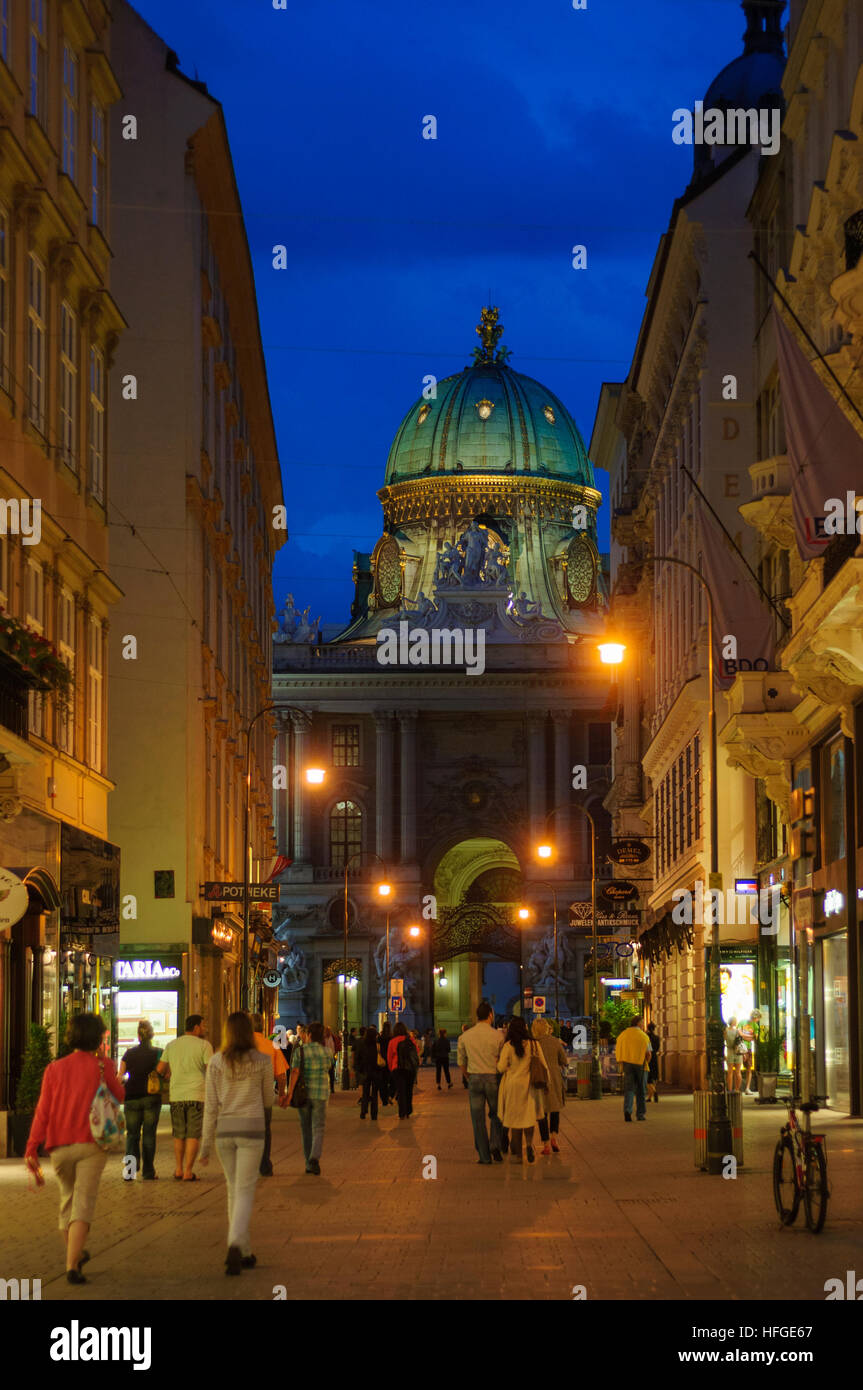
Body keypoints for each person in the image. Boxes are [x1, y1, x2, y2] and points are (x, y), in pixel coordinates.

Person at [24, 1013, 124, 1284]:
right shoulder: (103, 1065)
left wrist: (32, 1146)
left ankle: (75, 1254)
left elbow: (42, 1110)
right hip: (91, 1143)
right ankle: (72, 1265)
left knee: (67, 1200)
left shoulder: (54, 1069)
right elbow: (119, 1095)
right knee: (83, 1203)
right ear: (98, 1037)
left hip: (59, 1146)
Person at [199, 1011, 272, 1275]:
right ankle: (234, 1244)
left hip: (224, 1132)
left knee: (233, 1189)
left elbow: (211, 1107)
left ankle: (244, 1250)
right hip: (252, 1129)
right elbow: (268, 1100)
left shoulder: (216, 1062)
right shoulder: (263, 1061)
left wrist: (205, 1146)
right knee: (244, 1190)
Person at [156, 1014, 213, 1181]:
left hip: (177, 1095)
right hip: (196, 1094)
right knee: (193, 1134)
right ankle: (188, 1171)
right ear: (196, 1027)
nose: (204, 1029)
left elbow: (160, 1068)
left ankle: (179, 1169)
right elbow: (210, 1069)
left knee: (178, 1134)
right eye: (203, 1025)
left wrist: (169, 1073)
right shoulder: (204, 1045)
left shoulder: (172, 1044)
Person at [458, 1002, 505, 1164]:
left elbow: (461, 1062)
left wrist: (468, 1076)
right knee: (497, 1114)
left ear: (477, 1016)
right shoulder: (498, 1036)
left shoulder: (465, 1036)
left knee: (477, 1119)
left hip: (475, 1078)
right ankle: (495, 1144)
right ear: (490, 1015)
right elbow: (502, 1060)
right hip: (492, 1078)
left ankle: (484, 1156)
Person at [497, 1017, 548, 1163]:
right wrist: (546, 1084)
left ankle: (519, 1155)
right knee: (529, 1118)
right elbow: (543, 1065)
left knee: (515, 1120)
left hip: (512, 1086)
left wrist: (505, 1066)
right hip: (530, 1086)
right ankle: (530, 1145)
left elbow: (500, 1068)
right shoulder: (534, 1044)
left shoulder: (508, 1046)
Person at [120, 1019, 163, 1181]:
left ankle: (130, 1171)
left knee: (132, 1135)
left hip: (131, 1097)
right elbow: (165, 1073)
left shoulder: (129, 1054)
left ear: (138, 1035)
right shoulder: (159, 1052)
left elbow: (120, 1075)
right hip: (151, 1097)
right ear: (151, 1035)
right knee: (149, 1135)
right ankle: (148, 1171)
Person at [288, 1020, 331, 1173]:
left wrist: (289, 1093)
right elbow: (328, 1067)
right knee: (318, 1127)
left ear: (310, 1035)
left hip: (304, 1094)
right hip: (321, 1094)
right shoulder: (327, 1052)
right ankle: (315, 1157)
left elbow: (294, 1072)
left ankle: (309, 1162)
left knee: (306, 1128)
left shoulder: (301, 1051)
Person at [252, 1012, 288, 1177]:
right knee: (265, 1130)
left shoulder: (240, 1046)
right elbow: (281, 1075)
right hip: (265, 1096)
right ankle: (264, 1165)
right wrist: (282, 1094)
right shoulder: (271, 1046)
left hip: (243, 1096)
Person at [532, 1018, 567, 1154]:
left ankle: (546, 1144)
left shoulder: (533, 1043)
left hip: (539, 1078)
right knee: (555, 1108)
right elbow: (563, 1060)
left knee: (542, 1112)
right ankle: (554, 1137)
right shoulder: (555, 1041)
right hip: (555, 1077)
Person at [615, 1015, 652, 1121]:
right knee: (641, 1090)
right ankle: (640, 1114)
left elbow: (618, 1048)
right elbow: (648, 1053)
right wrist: (646, 1062)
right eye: (642, 1022)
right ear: (638, 1023)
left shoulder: (623, 1035)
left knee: (629, 1089)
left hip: (627, 1064)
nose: (643, 1024)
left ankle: (627, 1110)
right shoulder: (643, 1036)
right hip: (640, 1064)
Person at [387, 1021, 420, 1118]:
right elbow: (416, 1051)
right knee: (408, 1090)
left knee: (401, 1091)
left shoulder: (392, 1041)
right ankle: (408, 1111)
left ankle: (402, 1112)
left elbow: (389, 1057)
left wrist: (391, 1069)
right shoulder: (410, 1040)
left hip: (397, 1068)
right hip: (409, 1068)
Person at [359, 1025, 386, 1119]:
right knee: (374, 1093)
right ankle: (374, 1114)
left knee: (365, 1092)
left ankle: (363, 1111)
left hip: (366, 1071)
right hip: (376, 1071)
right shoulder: (377, 1045)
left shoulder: (363, 1044)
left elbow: (359, 1058)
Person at [724, 1017, 743, 1092]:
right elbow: (741, 1041)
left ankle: (730, 1090)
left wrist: (723, 1054)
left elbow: (724, 1041)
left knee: (730, 1072)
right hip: (738, 1052)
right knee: (738, 1072)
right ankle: (737, 1089)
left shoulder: (726, 1031)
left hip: (730, 1051)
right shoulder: (737, 1031)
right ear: (733, 1022)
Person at [378, 1022, 393, 1105]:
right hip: (390, 1061)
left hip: (382, 1061)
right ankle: (390, 1095)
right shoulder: (392, 1037)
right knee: (391, 1080)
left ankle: (384, 1099)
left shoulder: (380, 1038)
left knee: (382, 1081)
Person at [646, 1021, 661, 1103]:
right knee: (654, 1077)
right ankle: (650, 1096)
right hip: (654, 1057)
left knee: (648, 1079)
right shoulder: (657, 1038)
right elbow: (658, 1048)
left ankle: (654, 1091)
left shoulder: (646, 1037)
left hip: (648, 1057)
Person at [323, 1025, 337, 1093]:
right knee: (328, 1073)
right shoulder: (326, 1038)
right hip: (327, 1057)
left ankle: (330, 1087)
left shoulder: (331, 1038)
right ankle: (330, 1087)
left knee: (329, 1073)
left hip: (328, 1057)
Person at [460, 1022, 471, 1088]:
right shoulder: (471, 1036)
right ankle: (468, 1081)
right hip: (469, 1054)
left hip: (464, 1055)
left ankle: (465, 1082)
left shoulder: (461, 1037)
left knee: (464, 1068)